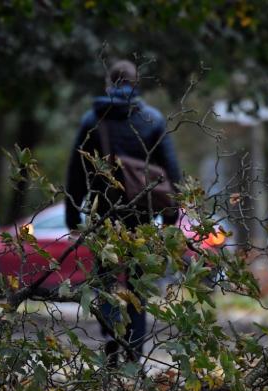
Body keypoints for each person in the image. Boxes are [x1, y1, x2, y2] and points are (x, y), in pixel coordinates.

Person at [64, 60, 181, 364]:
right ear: (136, 82)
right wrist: (171, 216)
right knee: (138, 286)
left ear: (108, 83)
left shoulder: (93, 119)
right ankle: (133, 352)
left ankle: (112, 339)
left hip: (105, 213)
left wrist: (72, 215)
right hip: (142, 215)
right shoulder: (152, 119)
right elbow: (172, 172)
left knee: (103, 283)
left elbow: (76, 172)